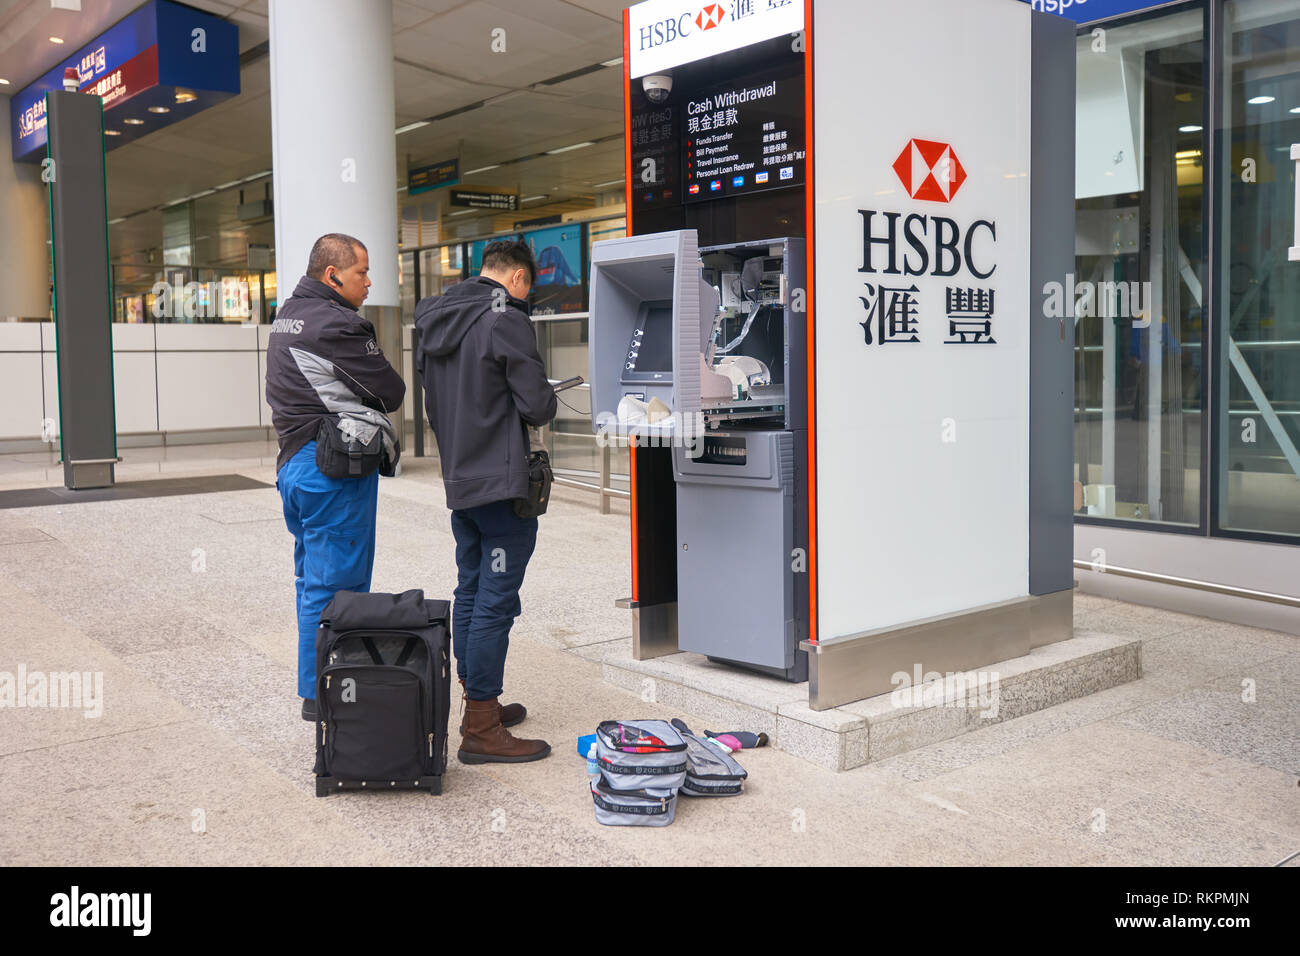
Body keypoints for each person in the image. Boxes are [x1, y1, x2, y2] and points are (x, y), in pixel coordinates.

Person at [414, 239, 557, 763]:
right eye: (528, 287)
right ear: (518, 277)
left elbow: (434, 403)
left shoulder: (434, 318)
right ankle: (481, 728)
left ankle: (478, 703)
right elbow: (537, 405)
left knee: (472, 590)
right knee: (495, 601)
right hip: (502, 485)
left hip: (463, 480)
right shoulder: (506, 319)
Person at [265, 233, 406, 721]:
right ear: (332, 275)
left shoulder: (288, 314)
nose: (369, 282)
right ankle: (325, 694)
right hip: (332, 471)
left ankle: (320, 684)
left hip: (294, 465)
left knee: (312, 583)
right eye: (361, 272)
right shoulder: (337, 324)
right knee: (338, 588)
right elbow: (391, 391)